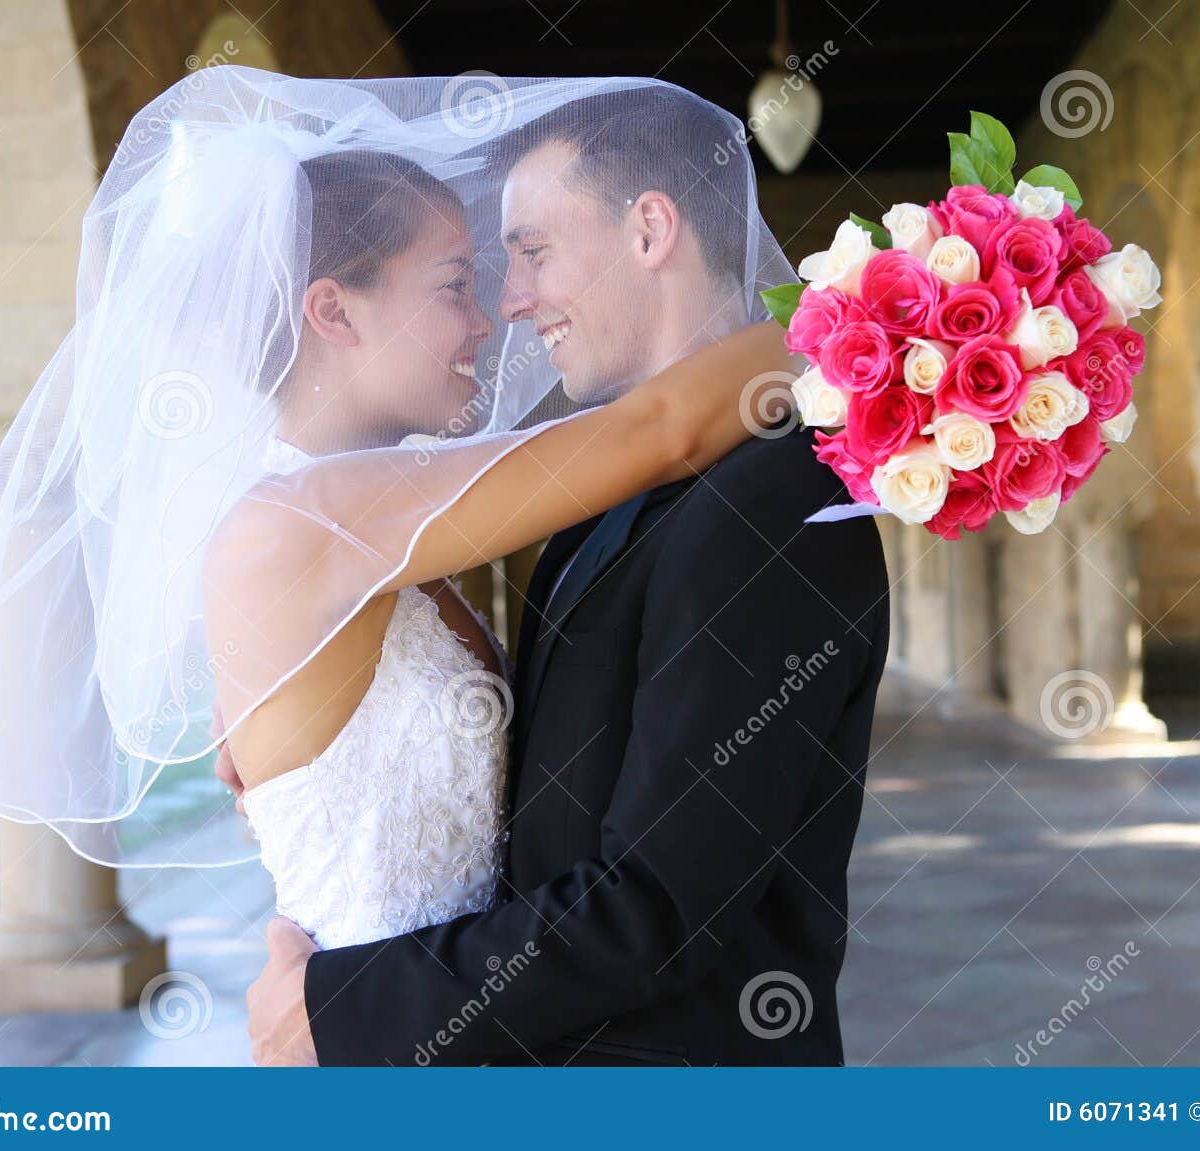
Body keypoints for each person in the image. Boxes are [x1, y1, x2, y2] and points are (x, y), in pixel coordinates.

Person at [236, 82, 890, 1067]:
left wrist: (337, 1008)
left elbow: (657, 907)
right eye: (465, 279)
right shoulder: (585, 495)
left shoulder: (774, 497)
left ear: (650, 230)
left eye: (530, 252)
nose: (507, 304)